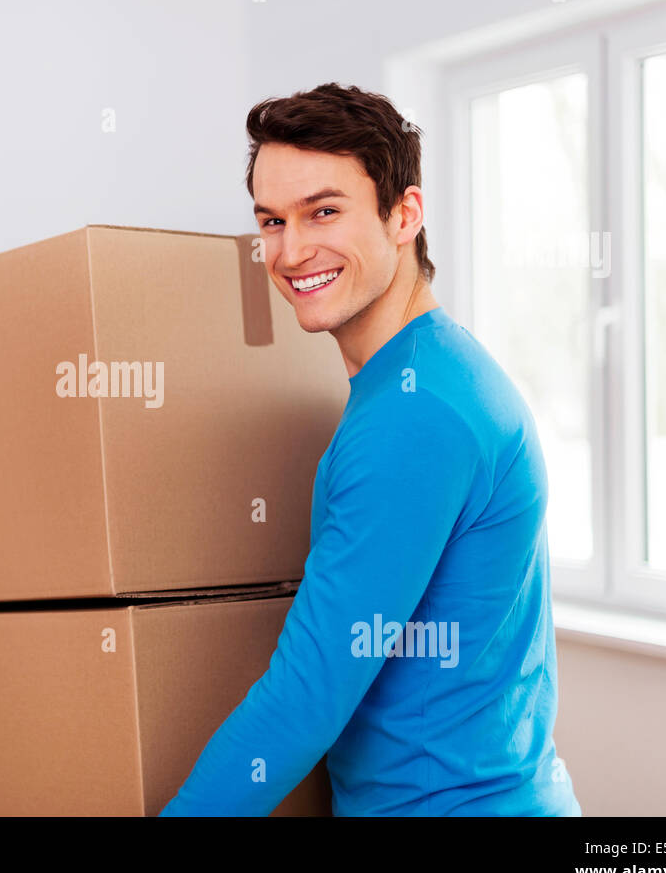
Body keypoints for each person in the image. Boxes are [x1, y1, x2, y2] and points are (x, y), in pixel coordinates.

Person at [161, 83, 582, 816]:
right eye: (272, 220)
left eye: (324, 211)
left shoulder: (414, 417)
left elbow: (309, 694)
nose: (291, 251)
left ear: (403, 216)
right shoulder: (430, 373)